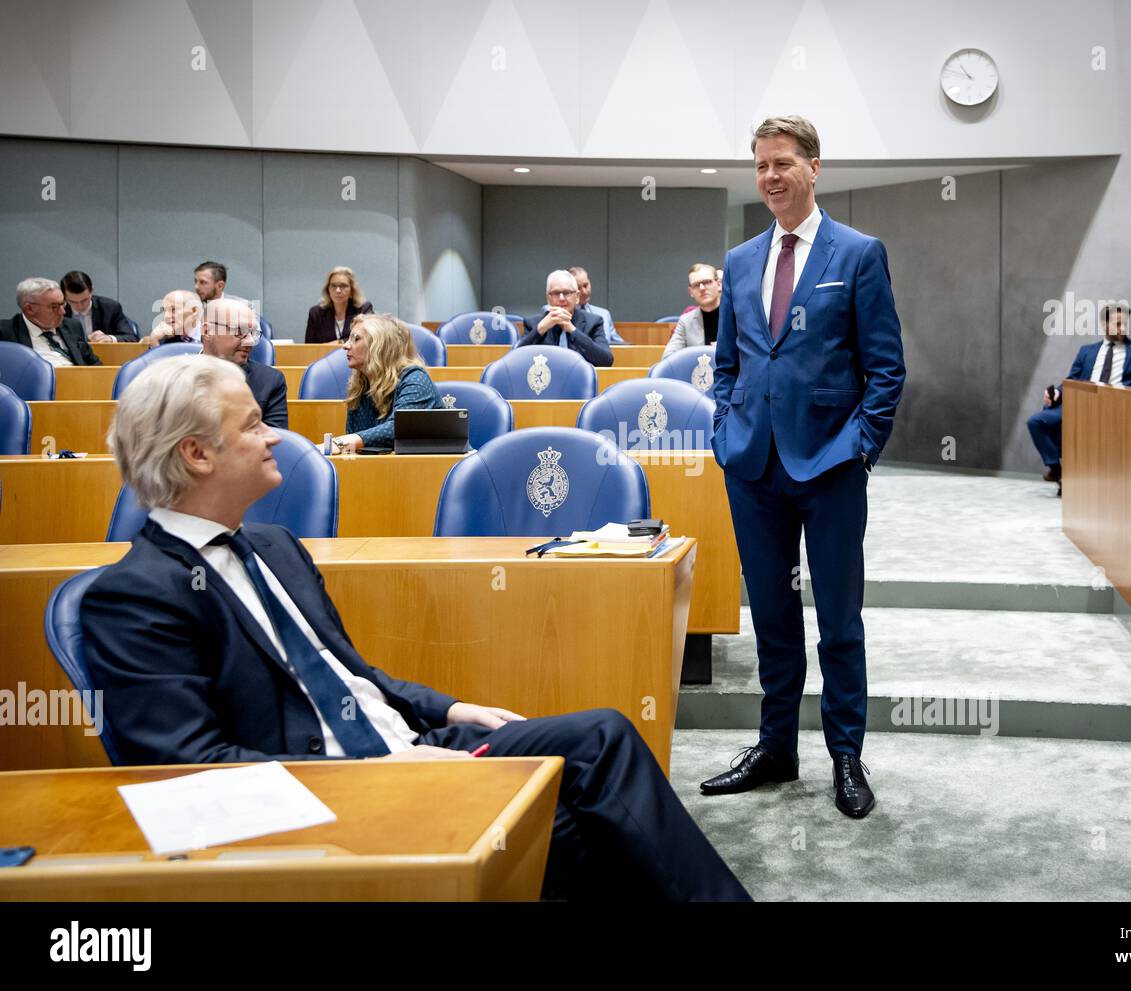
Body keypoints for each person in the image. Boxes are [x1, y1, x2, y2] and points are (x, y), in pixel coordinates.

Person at [79, 353, 749, 901]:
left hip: (410, 746)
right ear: (197, 454)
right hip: (339, 794)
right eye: (253, 425)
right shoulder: (134, 597)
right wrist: (382, 771)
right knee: (578, 816)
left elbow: (355, 675)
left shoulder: (275, 543)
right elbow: (189, 773)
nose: (275, 434)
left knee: (599, 745)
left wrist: (449, 707)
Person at [700, 116, 905, 819]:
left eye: (783, 163)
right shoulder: (739, 261)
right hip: (753, 467)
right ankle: (775, 748)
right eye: (760, 165)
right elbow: (728, 363)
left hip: (830, 467)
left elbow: (886, 369)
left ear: (815, 168)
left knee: (839, 617)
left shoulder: (858, 254)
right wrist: (725, 428)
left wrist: (860, 449)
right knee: (773, 617)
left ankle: (845, 753)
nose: (770, 177)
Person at [1027, 303, 1131, 487]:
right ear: (1104, 324)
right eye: (1117, 324)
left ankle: (1066, 477)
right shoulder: (1087, 351)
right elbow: (1072, 379)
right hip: (1081, 403)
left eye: (1125, 324)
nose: (1122, 328)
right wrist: (1058, 392)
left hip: (1115, 406)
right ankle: (1058, 471)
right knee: (1036, 421)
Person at [329, 313, 439, 453]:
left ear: (379, 346)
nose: (346, 346)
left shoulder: (415, 379)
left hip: (431, 469)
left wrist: (340, 443)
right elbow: (356, 445)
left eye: (356, 339)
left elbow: (399, 428)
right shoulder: (361, 384)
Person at [202, 297, 288, 428]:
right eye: (239, 331)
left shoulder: (269, 381)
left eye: (253, 333)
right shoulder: (174, 379)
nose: (250, 342)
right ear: (207, 331)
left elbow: (273, 443)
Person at [516, 270, 613, 367]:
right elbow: (515, 359)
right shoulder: (533, 323)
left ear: (577, 296)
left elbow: (606, 361)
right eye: (556, 293)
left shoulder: (593, 322)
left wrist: (573, 330)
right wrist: (540, 329)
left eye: (567, 293)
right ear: (548, 298)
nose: (561, 298)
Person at [2, 277, 101, 366]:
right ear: (29, 309)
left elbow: (95, 364)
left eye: (63, 304)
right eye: (54, 307)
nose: (63, 311)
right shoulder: (5, 333)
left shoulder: (72, 326)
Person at [662, 263, 722, 357]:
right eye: (696, 285)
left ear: (719, 284)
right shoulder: (686, 321)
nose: (702, 288)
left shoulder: (737, 316)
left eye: (707, 282)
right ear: (690, 292)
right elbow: (668, 357)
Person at [60, 271, 136, 342]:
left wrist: (110, 338)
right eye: (72, 302)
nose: (79, 306)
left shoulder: (110, 307)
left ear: (92, 291)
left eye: (84, 300)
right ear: (64, 296)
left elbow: (131, 337)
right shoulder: (58, 310)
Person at [304, 266, 374, 343]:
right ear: (328, 289)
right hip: (324, 355)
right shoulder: (316, 313)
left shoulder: (363, 309)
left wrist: (339, 343)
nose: (338, 290)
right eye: (333, 286)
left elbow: (368, 338)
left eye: (343, 286)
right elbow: (309, 346)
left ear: (352, 289)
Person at [567, 265, 626, 344]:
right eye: (578, 288)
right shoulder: (560, 313)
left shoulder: (604, 314)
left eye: (586, 285)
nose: (584, 292)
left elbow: (619, 344)